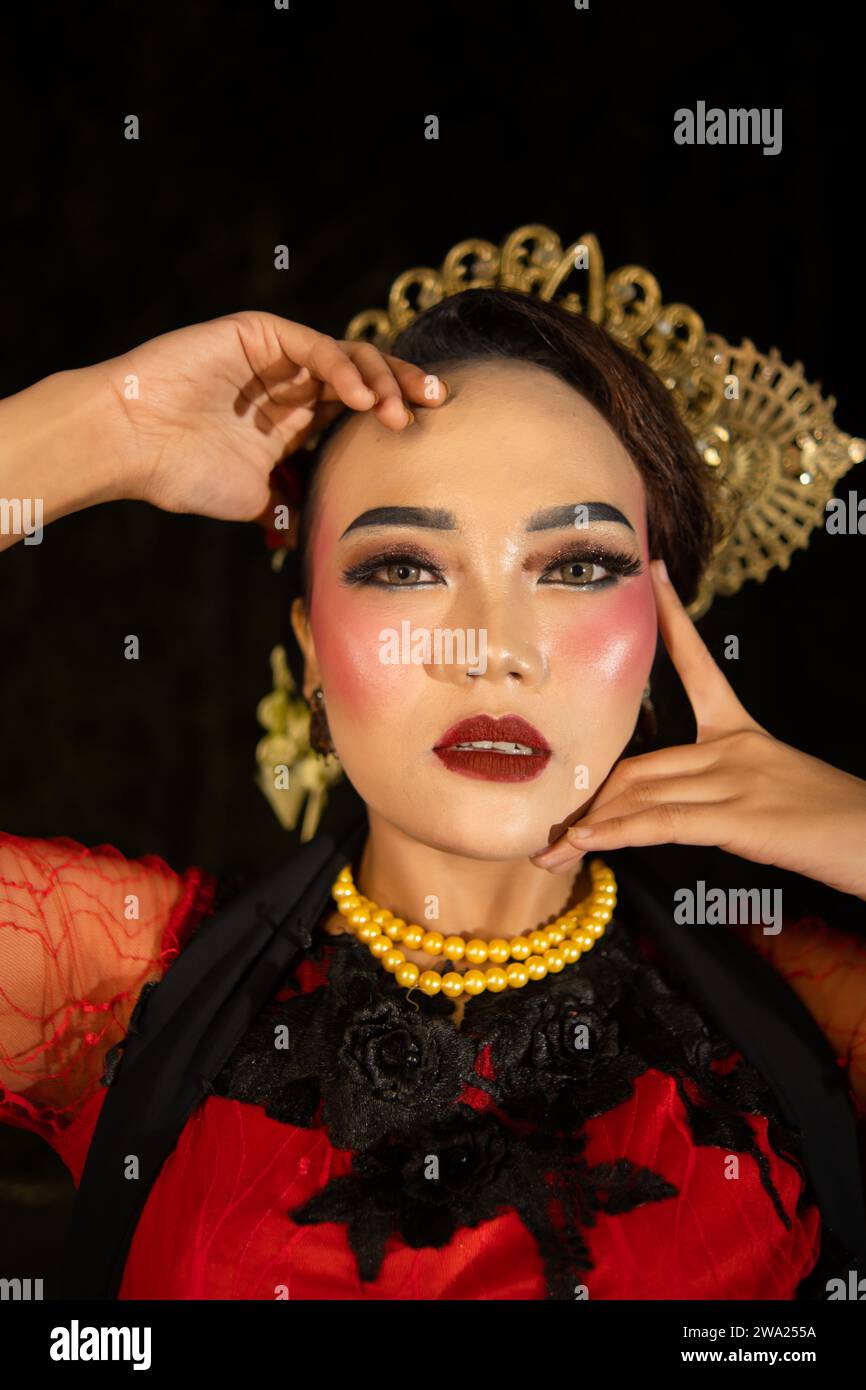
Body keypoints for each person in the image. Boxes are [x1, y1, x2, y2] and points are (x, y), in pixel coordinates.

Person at [2, 233, 866, 1300]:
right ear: (312, 647)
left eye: (578, 566)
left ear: (656, 638)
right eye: (404, 566)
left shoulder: (803, 1020)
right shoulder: (115, 984)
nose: (487, 645)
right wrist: (101, 426)